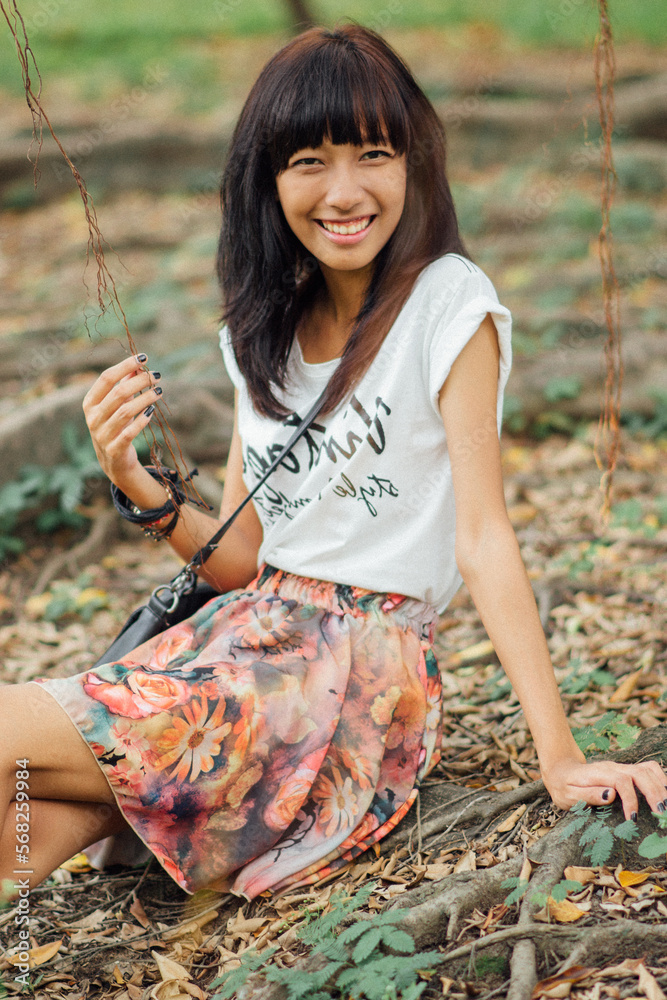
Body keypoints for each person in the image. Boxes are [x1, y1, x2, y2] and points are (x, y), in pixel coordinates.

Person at [2, 23, 666, 905]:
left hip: (338, 681)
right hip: (236, 646)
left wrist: (561, 755)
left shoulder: (446, 303)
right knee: (21, 827)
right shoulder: (259, 333)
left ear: (411, 165)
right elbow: (243, 561)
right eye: (308, 160)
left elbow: (482, 536)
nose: (343, 190)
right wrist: (134, 480)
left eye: (372, 153)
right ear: (268, 180)